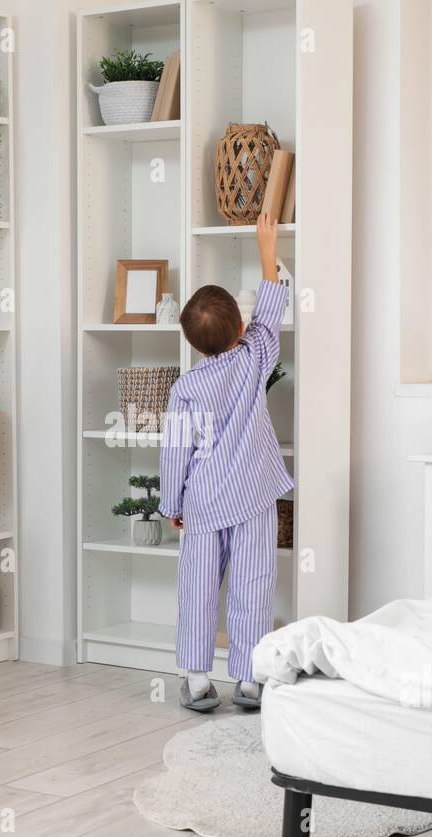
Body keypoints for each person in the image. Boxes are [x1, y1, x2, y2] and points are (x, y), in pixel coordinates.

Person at [159, 212, 293, 712]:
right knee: (253, 583)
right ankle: (252, 680)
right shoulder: (256, 355)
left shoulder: (186, 388)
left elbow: (174, 452)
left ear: (193, 343)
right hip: (253, 496)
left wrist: (172, 503)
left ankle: (196, 679)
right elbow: (272, 309)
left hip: (203, 504)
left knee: (197, 588)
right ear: (241, 327)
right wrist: (266, 248)